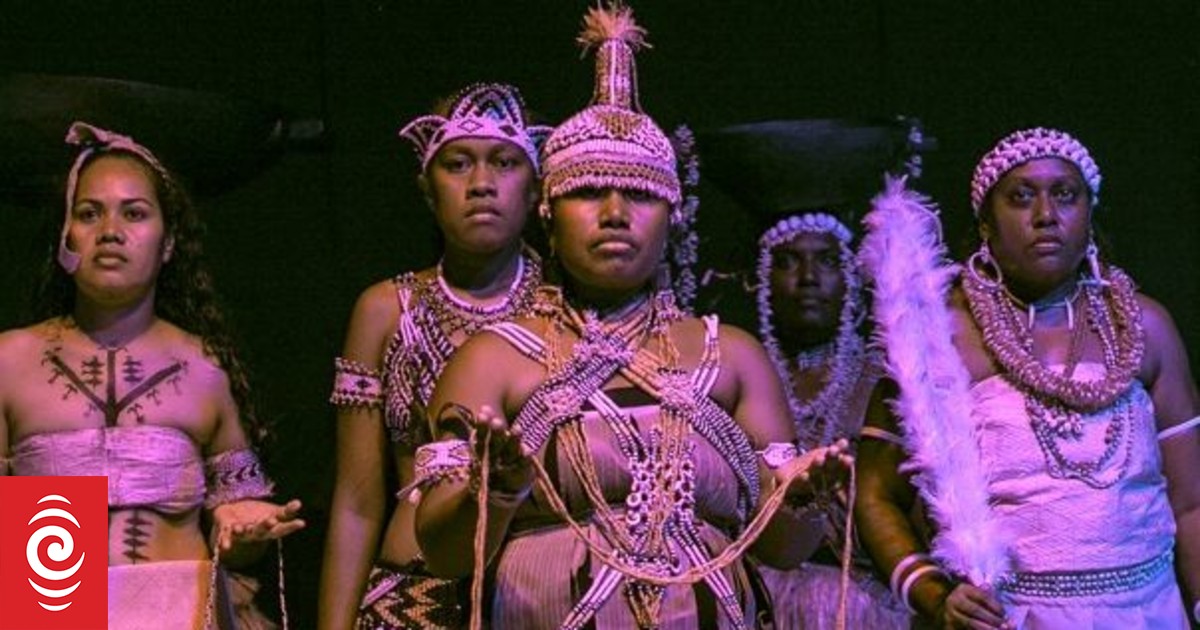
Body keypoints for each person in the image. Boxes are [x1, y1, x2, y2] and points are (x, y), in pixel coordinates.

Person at [412, 4, 851, 628]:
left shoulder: (730, 355)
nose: (615, 212)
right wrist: (496, 489)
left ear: (671, 217)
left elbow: (782, 549)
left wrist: (803, 499)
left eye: (641, 193)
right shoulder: (492, 358)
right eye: (589, 191)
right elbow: (443, 553)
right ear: (547, 213)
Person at [855, 127, 1200, 628]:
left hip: (1149, 613)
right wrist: (933, 595)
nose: (1045, 216)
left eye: (1065, 195)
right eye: (1021, 197)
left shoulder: (1145, 327)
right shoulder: (937, 336)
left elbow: (1192, 504)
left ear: (1088, 212)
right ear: (986, 225)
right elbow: (875, 493)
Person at [0, 121, 305, 629]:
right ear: (65, 235)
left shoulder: (204, 365)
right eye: (89, 213)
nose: (111, 231)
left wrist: (241, 526)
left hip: (178, 611)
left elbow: (239, 519)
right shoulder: (10, 360)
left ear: (167, 243)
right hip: (51, 612)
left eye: (134, 213)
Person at [318, 83, 549, 629]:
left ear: (537, 187)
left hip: (536, 599)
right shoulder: (385, 311)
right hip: (410, 597)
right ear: (427, 189)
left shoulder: (560, 312)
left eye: (506, 162)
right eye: (458, 164)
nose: (482, 184)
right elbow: (356, 502)